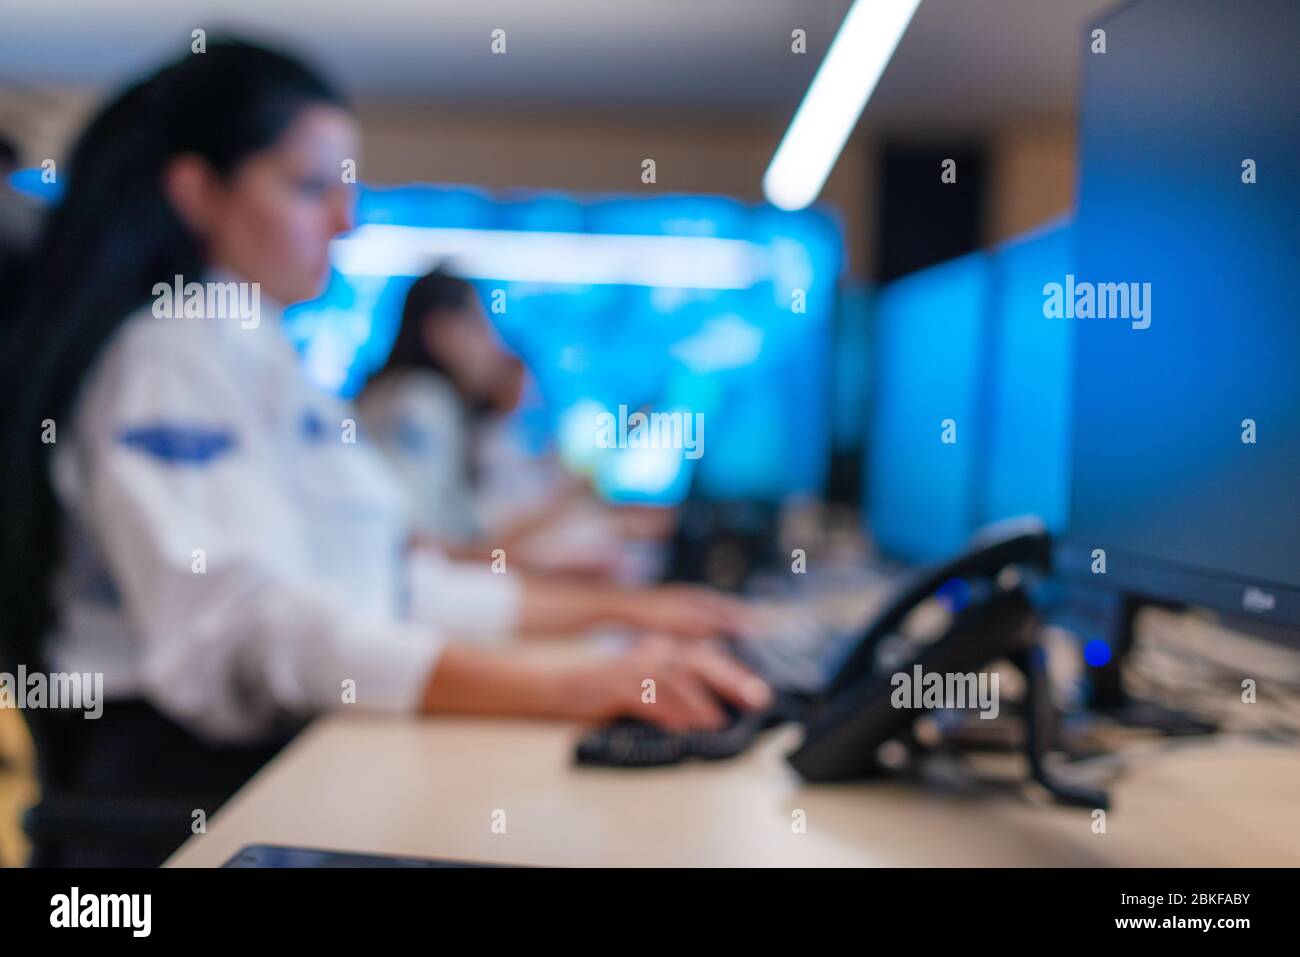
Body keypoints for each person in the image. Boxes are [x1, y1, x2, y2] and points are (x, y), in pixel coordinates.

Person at [0, 40, 769, 865]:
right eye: (310, 186)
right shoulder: (173, 350)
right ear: (197, 192)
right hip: (187, 798)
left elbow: (383, 585)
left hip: (263, 768)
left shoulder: (253, 348)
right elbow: (256, 629)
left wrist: (622, 616)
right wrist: (563, 684)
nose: (347, 218)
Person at [361, 267, 745, 639]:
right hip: (412, 622)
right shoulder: (419, 403)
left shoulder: (424, 403)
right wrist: (564, 578)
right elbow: (418, 548)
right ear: (442, 331)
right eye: (481, 326)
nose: (492, 346)